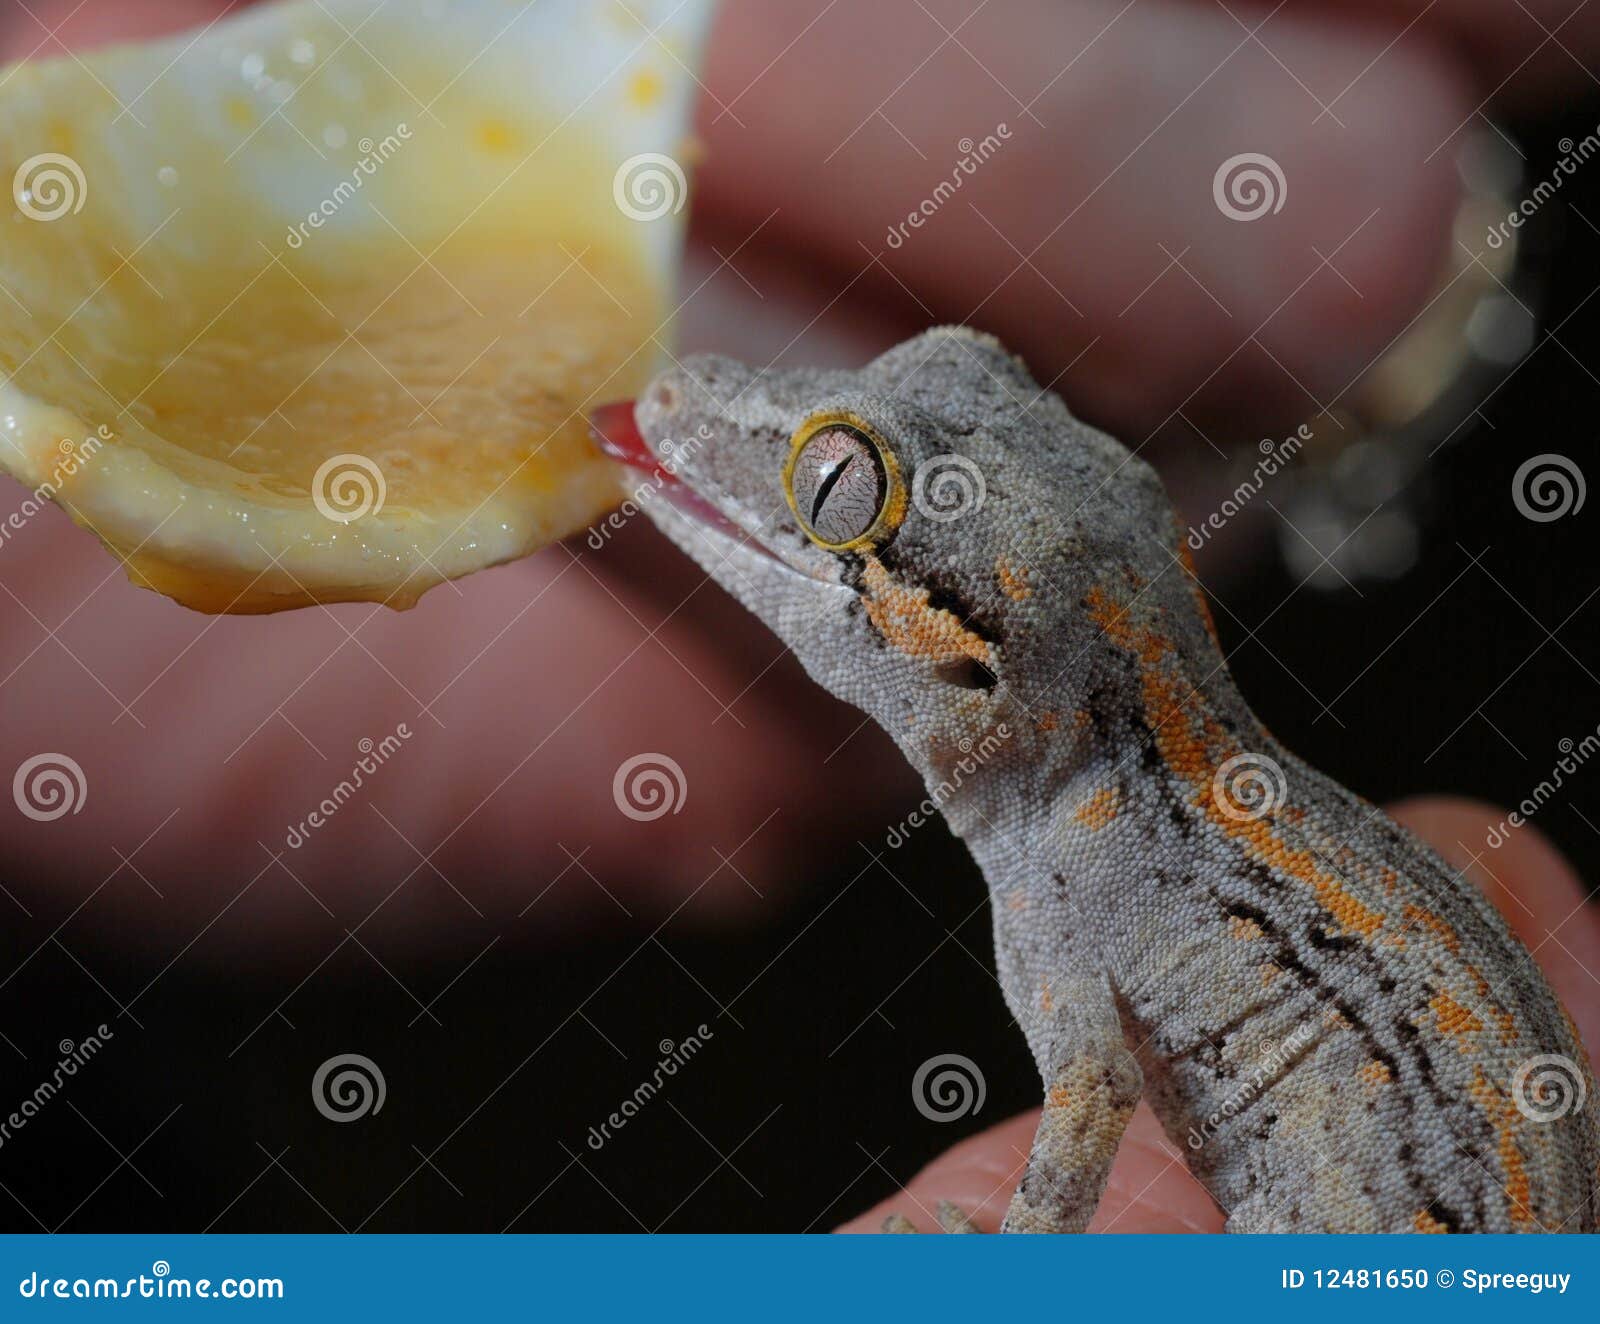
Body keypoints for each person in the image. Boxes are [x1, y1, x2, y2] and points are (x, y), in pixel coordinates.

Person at [1, 0, 1594, 1232]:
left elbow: (1084, 1130)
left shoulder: (1078, 868)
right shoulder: (1115, 805)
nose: (715, 409)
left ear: (982, 661)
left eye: (834, 492)